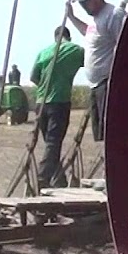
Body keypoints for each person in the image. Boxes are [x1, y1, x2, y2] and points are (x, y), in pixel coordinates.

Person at [65, 0, 126, 142]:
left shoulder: (114, 15)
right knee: (101, 135)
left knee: (110, 133)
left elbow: (124, 46)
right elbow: (88, 33)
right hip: (95, 85)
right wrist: (72, 17)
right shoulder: (95, 19)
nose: (83, 6)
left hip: (107, 83)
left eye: (85, 2)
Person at [29, 26, 85, 188]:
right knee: (54, 142)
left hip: (41, 103)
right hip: (59, 101)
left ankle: (59, 180)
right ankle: (43, 177)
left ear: (55, 38)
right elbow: (93, 62)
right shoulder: (76, 50)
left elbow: (33, 77)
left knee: (50, 144)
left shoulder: (44, 52)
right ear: (69, 37)